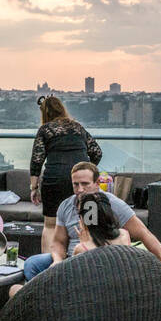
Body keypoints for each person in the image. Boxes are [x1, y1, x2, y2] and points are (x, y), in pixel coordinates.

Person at [11, 162, 161, 294]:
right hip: (69, 258)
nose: (80, 189)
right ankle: (35, 301)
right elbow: (58, 242)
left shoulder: (112, 204)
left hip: (99, 260)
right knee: (32, 263)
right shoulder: (66, 206)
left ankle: (43, 297)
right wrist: (57, 260)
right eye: (76, 184)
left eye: (85, 184)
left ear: (97, 183)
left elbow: (144, 234)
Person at [29, 96, 103, 254]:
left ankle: (49, 267)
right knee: (87, 222)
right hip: (80, 179)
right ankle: (86, 260)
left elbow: (37, 161)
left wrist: (34, 187)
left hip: (54, 179)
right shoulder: (78, 127)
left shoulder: (45, 130)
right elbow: (97, 152)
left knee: (50, 225)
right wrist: (86, 171)